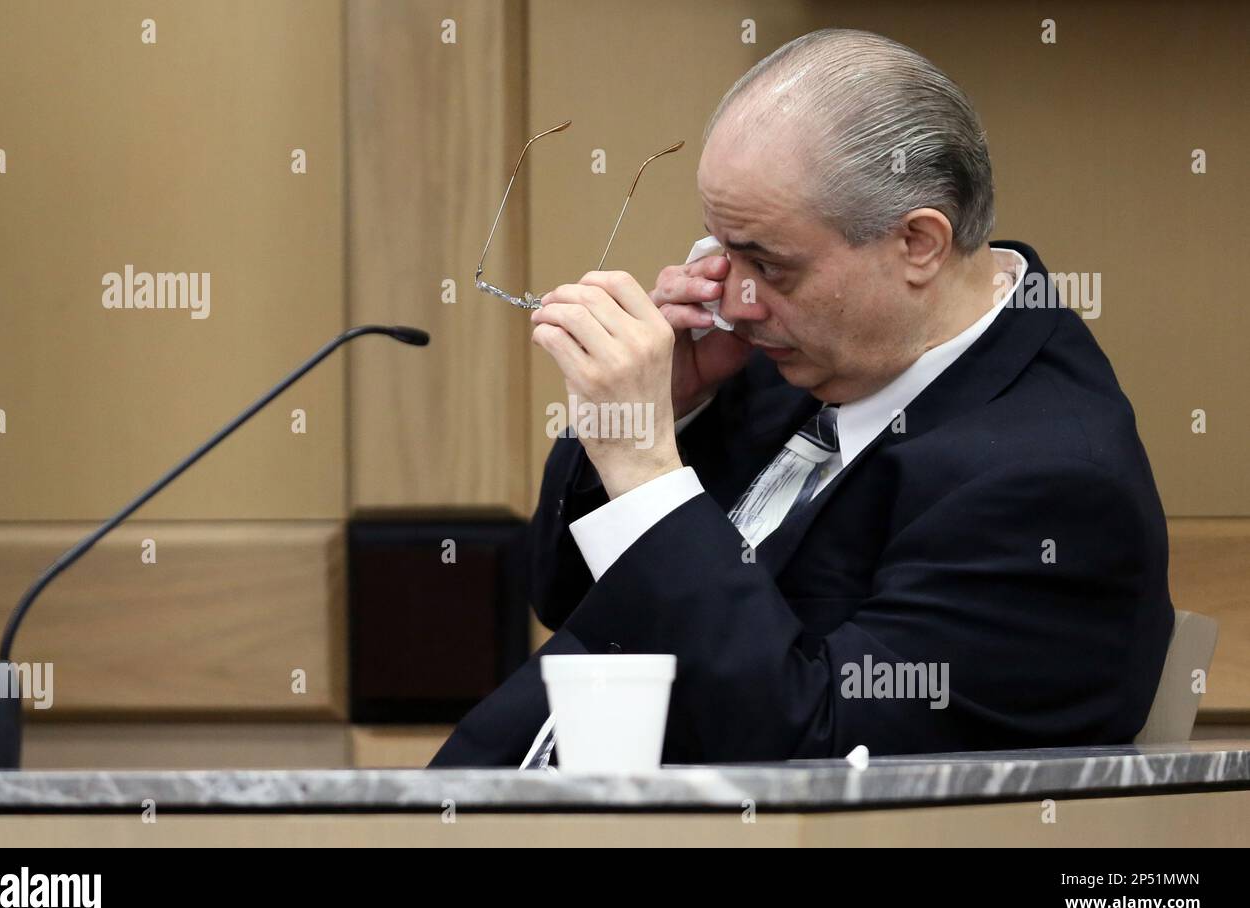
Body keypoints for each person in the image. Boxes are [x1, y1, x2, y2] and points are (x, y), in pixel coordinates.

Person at [431, 28, 1172, 767]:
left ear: (919, 244)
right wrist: (669, 408)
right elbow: (561, 588)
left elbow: (813, 747)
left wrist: (644, 465)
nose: (737, 299)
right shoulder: (793, 360)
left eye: (769, 264)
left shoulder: (1055, 487)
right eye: (722, 251)